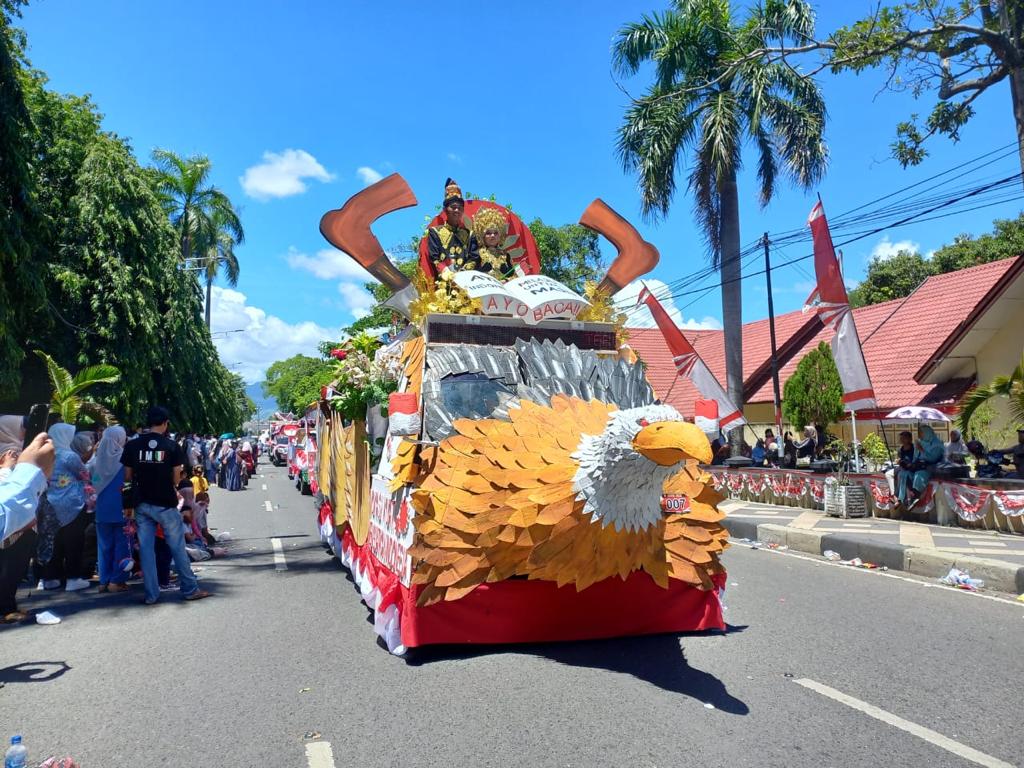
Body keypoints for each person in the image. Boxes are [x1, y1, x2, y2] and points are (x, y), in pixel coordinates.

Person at [120, 406, 210, 605]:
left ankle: (151, 595)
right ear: (166, 423)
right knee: (177, 547)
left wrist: (127, 503)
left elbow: (127, 478)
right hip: (165, 504)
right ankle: (190, 589)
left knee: (146, 550)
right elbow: (176, 479)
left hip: (141, 504)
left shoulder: (132, 446)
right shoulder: (171, 446)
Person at [0, 433, 55, 622]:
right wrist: (9, 470)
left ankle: (9, 605)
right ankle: (5, 609)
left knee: (16, 570)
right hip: (13, 533)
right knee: (8, 570)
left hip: (22, 530)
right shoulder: (6, 472)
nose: (15, 456)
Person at [40, 426, 94, 592]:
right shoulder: (70, 456)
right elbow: (84, 475)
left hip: (49, 504)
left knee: (53, 541)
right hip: (71, 505)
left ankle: (51, 578)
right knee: (73, 542)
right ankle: (73, 579)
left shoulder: (44, 455)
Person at [89, 426, 131, 593]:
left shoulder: (95, 461)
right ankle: (116, 580)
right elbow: (129, 482)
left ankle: (103, 580)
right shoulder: (125, 460)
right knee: (122, 545)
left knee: (104, 546)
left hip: (102, 509)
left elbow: (92, 483)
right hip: (122, 508)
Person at [426, 178, 480, 276]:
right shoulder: (435, 232)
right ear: (445, 210)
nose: (457, 210)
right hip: (444, 280)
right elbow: (434, 258)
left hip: (466, 279)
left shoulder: (470, 234)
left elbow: (474, 258)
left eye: (460, 208)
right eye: (453, 207)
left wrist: (462, 273)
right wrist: (447, 273)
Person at [898, 425, 944, 512]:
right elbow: (916, 457)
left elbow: (933, 459)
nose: (920, 435)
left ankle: (915, 495)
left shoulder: (937, 444)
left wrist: (921, 450)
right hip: (919, 465)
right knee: (905, 474)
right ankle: (904, 498)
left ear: (927, 433)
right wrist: (912, 462)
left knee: (919, 475)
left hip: (930, 467)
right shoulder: (921, 442)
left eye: (921, 433)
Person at [471, 206, 517, 278]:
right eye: (488, 233)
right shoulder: (477, 254)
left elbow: (515, 277)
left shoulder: (506, 256)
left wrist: (506, 279)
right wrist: (481, 271)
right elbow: (470, 275)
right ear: (482, 236)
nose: (492, 236)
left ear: (500, 236)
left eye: (495, 233)